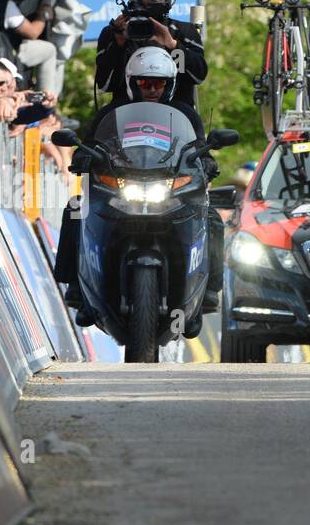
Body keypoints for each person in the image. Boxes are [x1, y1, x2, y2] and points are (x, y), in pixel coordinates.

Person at [55, 47, 221, 326]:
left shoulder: (185, 114)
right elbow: (91, 144)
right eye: (145, 83)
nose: (153, 89)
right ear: (132, 82)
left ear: (170, 85)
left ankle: (209, 290)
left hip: (168, 189)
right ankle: (76, 286)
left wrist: (207, 161)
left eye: (160, 83)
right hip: (123, 188)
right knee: (75, 208)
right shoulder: (113, 112)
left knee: (212, 216)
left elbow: (199, 149)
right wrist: (83, 155)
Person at [95, 0, 207, 109]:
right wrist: (118, 44)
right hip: (126, 116)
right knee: (99, 123)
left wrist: (173, 45)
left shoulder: (184, 31)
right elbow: (105, 85)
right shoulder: (114, 32)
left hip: (178, 115)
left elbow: (199, 77)